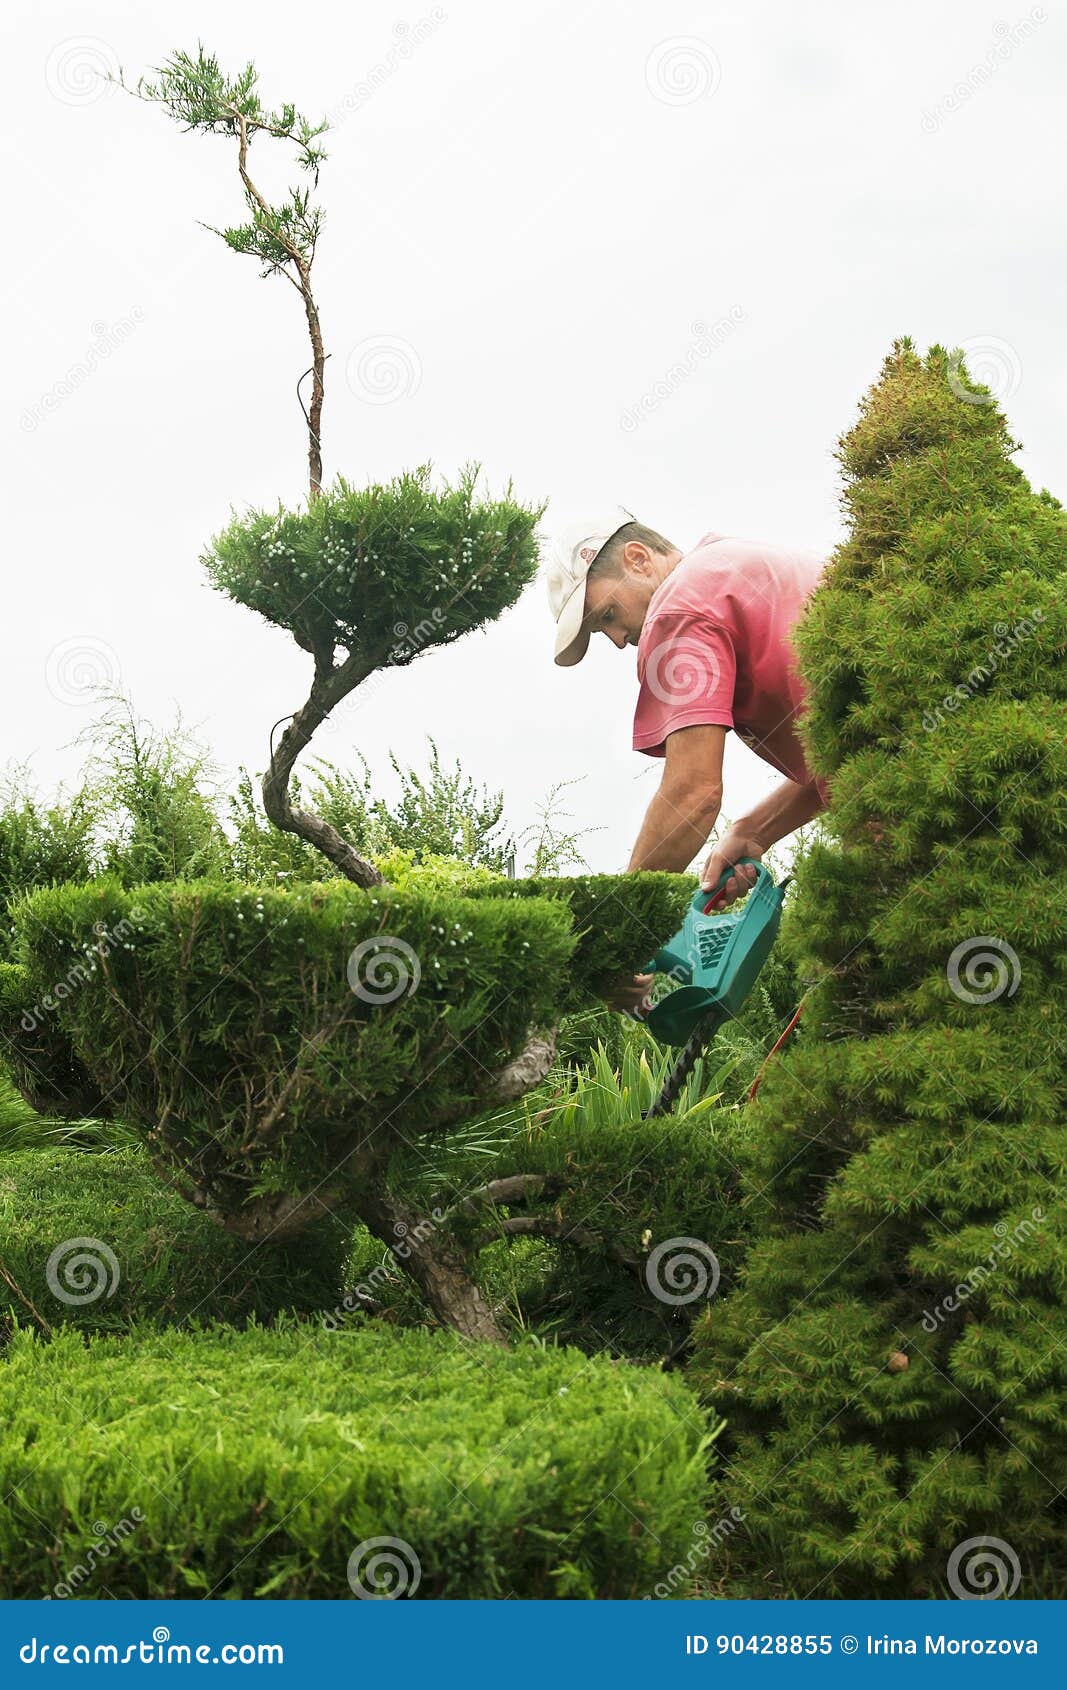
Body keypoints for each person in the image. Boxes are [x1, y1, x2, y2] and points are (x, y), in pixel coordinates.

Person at [545, 507, 830, 1016]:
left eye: (606, 616)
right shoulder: (730, 566)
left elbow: (692, 793)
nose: (615, 639)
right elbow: (844, 752)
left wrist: (617, 934)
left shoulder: (676, 608)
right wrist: (755, 829)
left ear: (638, 560)